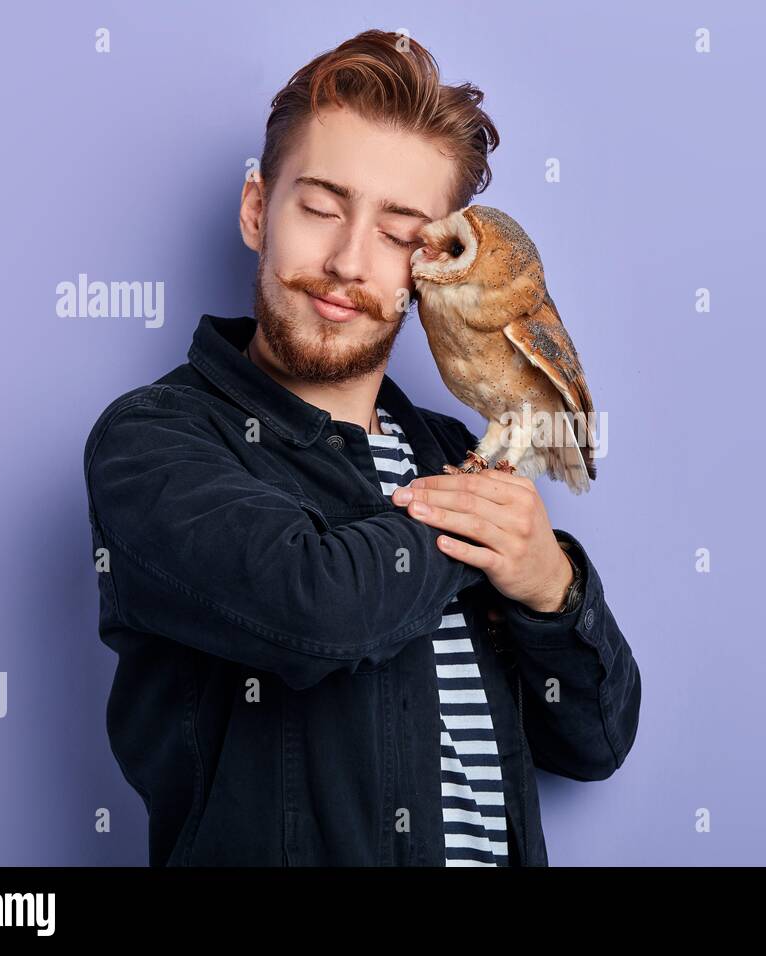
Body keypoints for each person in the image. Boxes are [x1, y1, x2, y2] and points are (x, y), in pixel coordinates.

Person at [82, 29, 641, 866]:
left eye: (397, 232)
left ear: (433, 264)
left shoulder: (448, 447)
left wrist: (552, 589)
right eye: (320, 207)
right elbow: (315, 609)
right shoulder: (154, 440)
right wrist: (479, 504)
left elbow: (592, 742)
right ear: (254, 210)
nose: (347, 261)